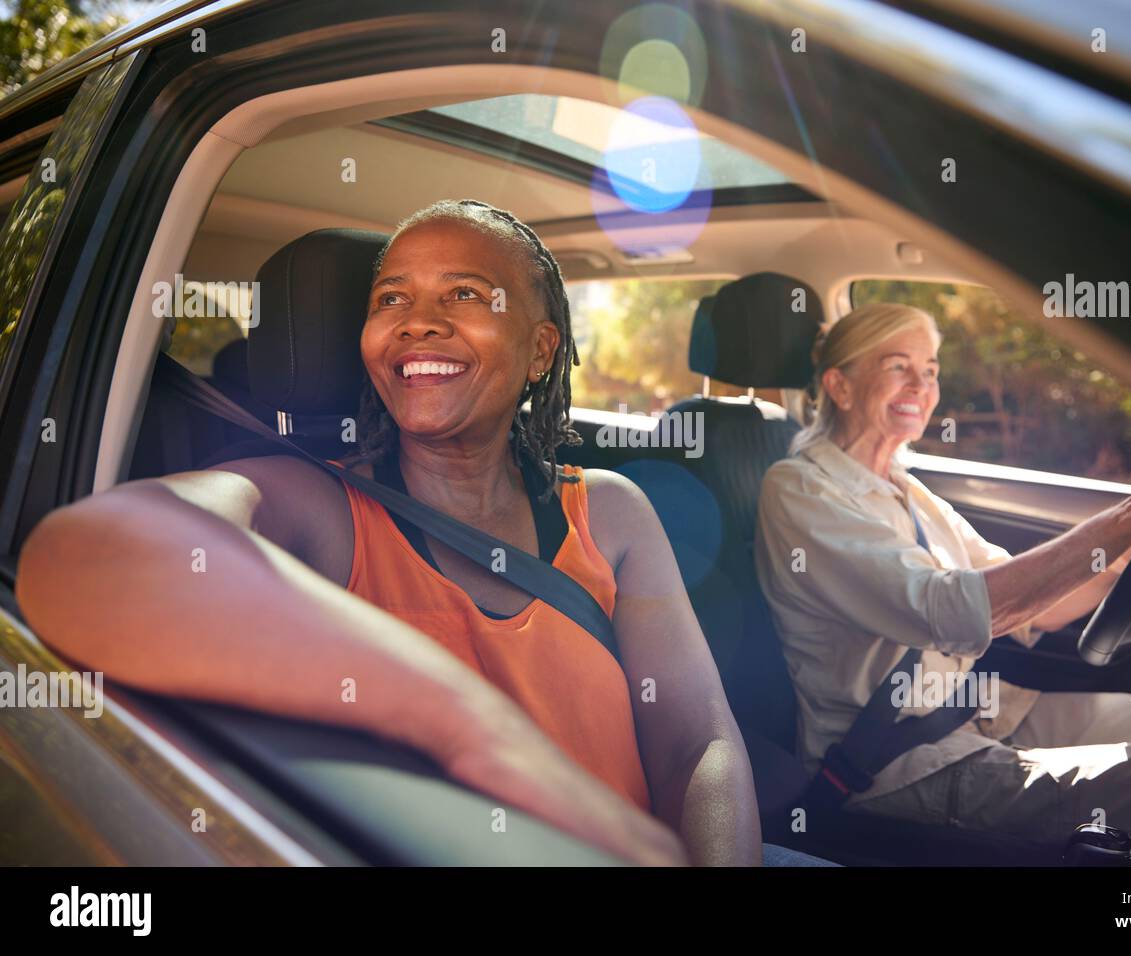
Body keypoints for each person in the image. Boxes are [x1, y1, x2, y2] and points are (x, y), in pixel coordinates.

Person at [19, 200, 788, 866]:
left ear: (540, 350)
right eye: (391, 299)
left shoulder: (610, 511)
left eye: (465, 293)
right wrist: (477, 729)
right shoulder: (316, 505)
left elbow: (700, 743)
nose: (418, 321)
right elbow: (90, 554)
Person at [754, 302, 1131, 865]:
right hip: (887, 758)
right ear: (839, 387)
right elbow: (958, 611)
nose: (922, 384)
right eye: (899, 366)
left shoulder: (909, 492)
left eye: (932, 368)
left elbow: (1038, 606)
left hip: (979, 709)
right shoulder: (799, 490)